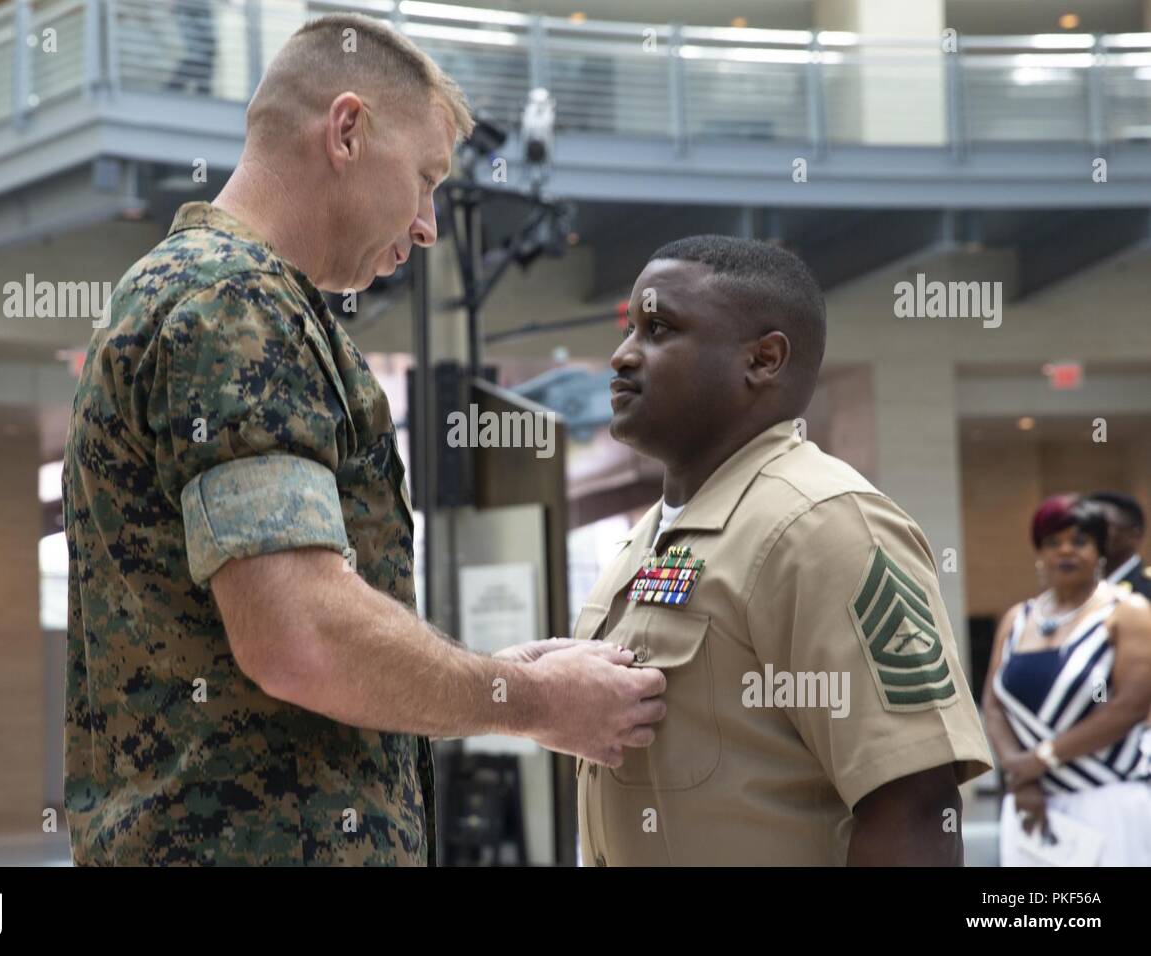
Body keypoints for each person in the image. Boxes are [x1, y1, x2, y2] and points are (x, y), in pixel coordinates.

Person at [62, 13, 664, 866]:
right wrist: (528, 699)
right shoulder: (233, 303)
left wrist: (489, 675)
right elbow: (298, 637)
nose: (427, 225)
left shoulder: (211, 292)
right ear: (346, 131)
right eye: (424, 180)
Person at [574, 235, 994, 866]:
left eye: (658, 329)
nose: (623, 356)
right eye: (630, 328)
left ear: (764, 360)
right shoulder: (648, 541)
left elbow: (913, 807)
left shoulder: (824, 525)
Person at [982, 495, 1151, 866]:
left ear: (1099, 550)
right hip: (1030, 801)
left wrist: (1041, 760)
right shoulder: (1017, 618)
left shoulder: (1127, 613)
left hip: (1104, 798)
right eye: (1052, 543)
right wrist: (1021, 775)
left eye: (1079, 541)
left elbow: (1131, 706)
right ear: (1039, 552)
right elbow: (993, 704)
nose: (1065, 552)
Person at [1090, 491, 1151, 601]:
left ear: (1134, 535)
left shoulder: (1146, 588)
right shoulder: (1077, 587)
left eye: (1103, 527)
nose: (1093, 535)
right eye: (1089, 528)